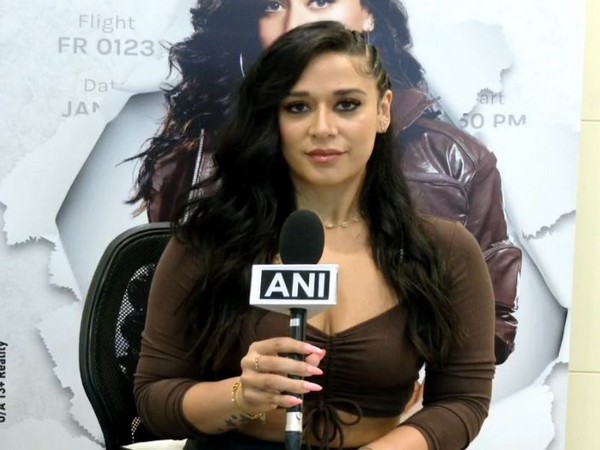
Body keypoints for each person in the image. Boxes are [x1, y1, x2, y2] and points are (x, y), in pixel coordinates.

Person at [134, 21, 495, 450]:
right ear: (274, 119)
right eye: (298, 107)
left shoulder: (445, 249)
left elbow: (462, 401)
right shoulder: (208, 240)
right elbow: (154, 397)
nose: (323, 128)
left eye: (347, 105)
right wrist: (241, 395)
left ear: (383, 111)